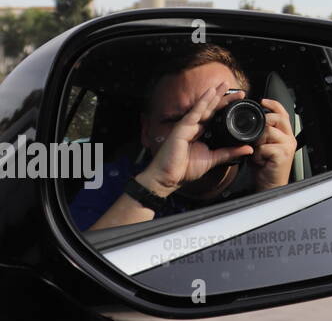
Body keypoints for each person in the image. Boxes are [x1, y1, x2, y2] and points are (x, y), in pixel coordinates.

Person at [70, 44, 297, 231]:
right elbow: (80, 273)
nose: (196, 129)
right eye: (177, 120)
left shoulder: (268, 173)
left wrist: (271, 189)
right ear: (146, 131)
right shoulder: (115, 183)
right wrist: (157, 184)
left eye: (220, 112)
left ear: (247, 114)